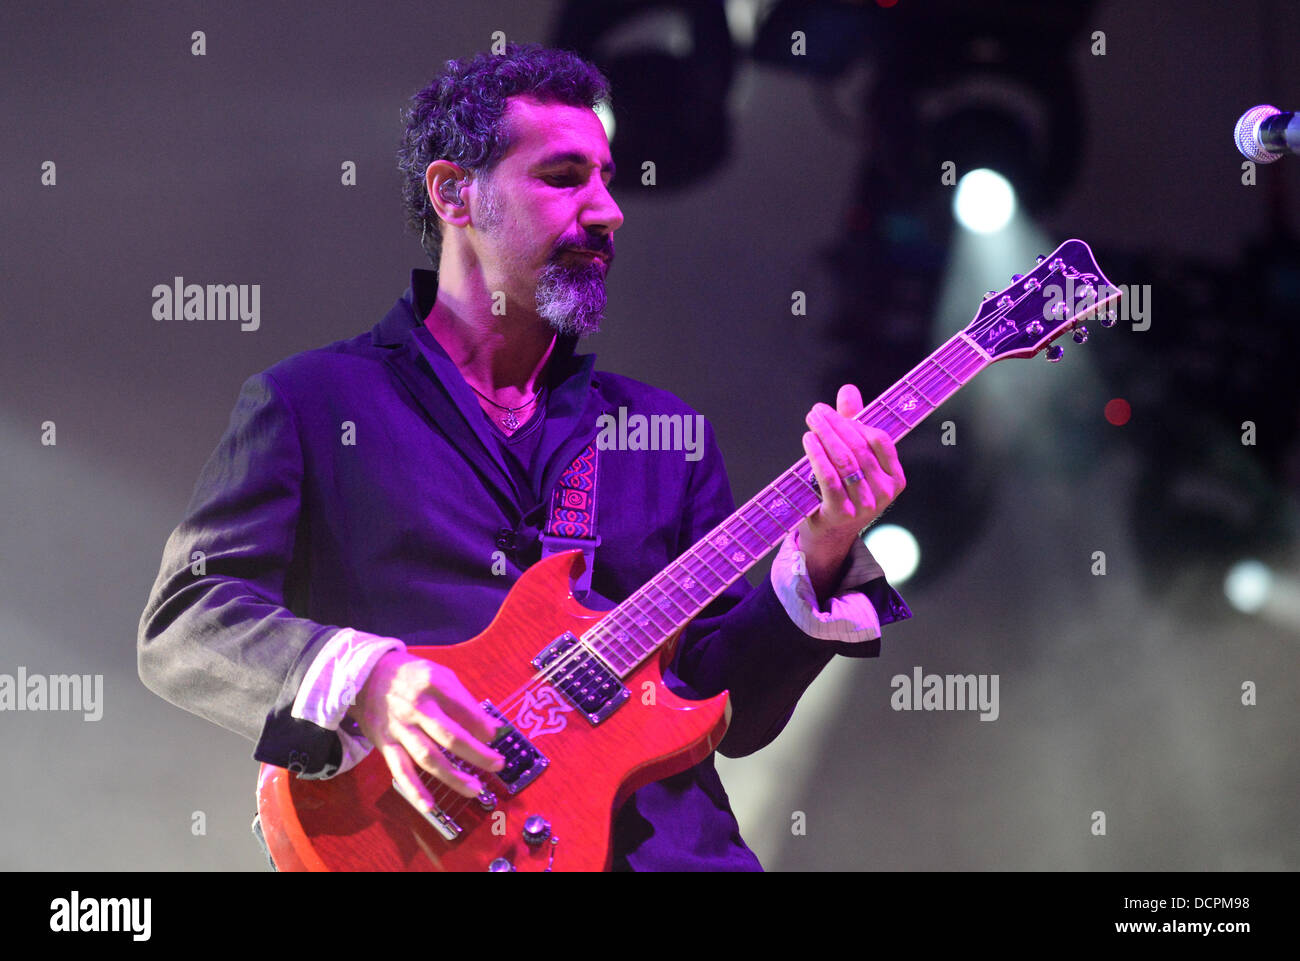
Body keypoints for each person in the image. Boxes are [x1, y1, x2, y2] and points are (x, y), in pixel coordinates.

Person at [137, 42, 911, 871]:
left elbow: (739, 712)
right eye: (564, 176)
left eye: (608, 178)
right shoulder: (310, 404)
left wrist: (824, 546)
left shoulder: (665, 433)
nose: (608, 209)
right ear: (455, 193)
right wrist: (370, 680)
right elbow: (186, 622)